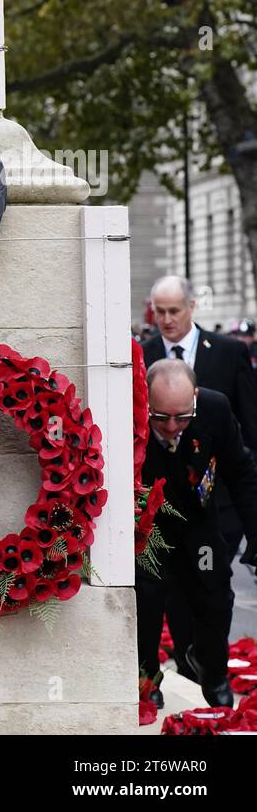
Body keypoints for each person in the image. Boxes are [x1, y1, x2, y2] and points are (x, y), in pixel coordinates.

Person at [143, 275, 257, 676]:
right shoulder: (140, 356)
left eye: (174, 311)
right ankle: (178, 668)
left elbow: (246, 435)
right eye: (160, 312)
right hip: (161, 504)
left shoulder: (226, 353)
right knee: (165, 591)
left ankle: (206, 667)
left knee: (211, 590)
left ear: (192, 307)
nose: (167, 319)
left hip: (216, 501)